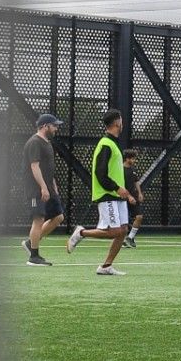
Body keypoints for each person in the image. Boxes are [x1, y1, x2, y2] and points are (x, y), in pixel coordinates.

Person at [65, 109, 132, 276]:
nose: (122, 123)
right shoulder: (105, 144)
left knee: (123, 230)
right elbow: (100, 173)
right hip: (107, 193)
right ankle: (81, 233)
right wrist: (116, 188)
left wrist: (123, 191)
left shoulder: (113, 143)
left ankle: (106, 266)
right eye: (121, 120)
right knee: (115, 231)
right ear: (117, 123)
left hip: (117, 195)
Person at [22, 113, 65, 266]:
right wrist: (42, 187)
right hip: (37, 189)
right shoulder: (34, 142)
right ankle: (33, 257)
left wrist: (53, 186)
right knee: (38, 219)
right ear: (45, 126)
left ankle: (30, 242)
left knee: (58, 217)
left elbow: (48, 168)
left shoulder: (47, 142)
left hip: (48, 188)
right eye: (54, 125)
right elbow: (35, 166)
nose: (56, 128)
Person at [122, 149, 145, 247]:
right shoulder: (120, 170)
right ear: (127, 159)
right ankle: (122, 240)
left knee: (139, 217)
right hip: (123, 198)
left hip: (134, 197)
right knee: (123, 221)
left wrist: (139, 193)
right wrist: (128, 196)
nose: (134, 161)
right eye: (132, 159)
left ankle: (130, 238)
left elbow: (136, 182)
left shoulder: (133, 169)